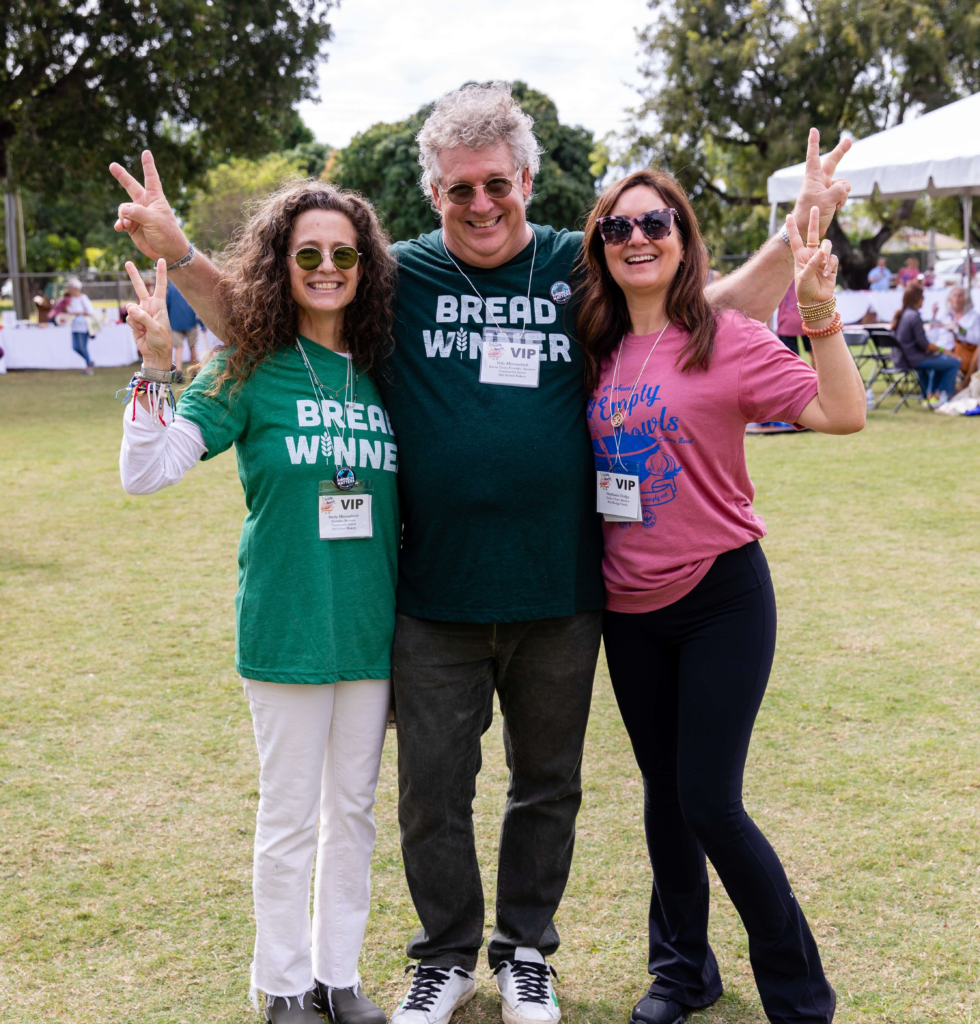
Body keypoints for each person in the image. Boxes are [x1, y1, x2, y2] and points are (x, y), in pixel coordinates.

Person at [110, 82, 851, 1024]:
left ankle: (526, 953)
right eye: (460, 189)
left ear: (528, 180)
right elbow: (276, 309)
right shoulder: (398, 274)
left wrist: (795, 241)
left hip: (566, 589)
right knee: (431, 792)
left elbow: (698, 309)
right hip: (433, 591)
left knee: (548, 786)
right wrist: (179, 254)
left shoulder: (576, 266)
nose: (481, 204)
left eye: (497, 183)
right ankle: (446, 954)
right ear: (434, 194)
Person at [580, 172, 865, 1024]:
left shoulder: (728, 339)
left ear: (682, 234)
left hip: (720, 597)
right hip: (626, 607)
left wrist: (817, 308)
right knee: (663, 794)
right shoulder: (589, 346)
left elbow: (841, 413)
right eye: (618, 226)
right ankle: (682, 974)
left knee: (709, 797)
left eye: (656, 221)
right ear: (600, 245)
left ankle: (799, 993)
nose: (639, 237)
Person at [117, 180, 399, 1024]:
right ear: (280, 263)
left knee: (351, 814)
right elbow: (146, 470)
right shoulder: (249, 368)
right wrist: (157, 366)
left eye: (342, 254)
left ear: (364, 268)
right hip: (284, 631)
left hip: (370, 634)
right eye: (305, 253)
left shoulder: (387, 375)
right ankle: (281, 984)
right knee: (289, 817)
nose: (324, 267)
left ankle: (338, 975)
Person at [891, 283, 960, 403]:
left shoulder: (903, 315)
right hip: (914, 359)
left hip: (901, 358)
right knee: (953, 362)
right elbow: (925, 345)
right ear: (918, 299)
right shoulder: (914, 316)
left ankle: (930, 394)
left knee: (939, 360)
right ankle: (942, 395)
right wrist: (945, 350)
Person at [931, 287, 979, 374]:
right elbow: (933, 337)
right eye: (954, 296)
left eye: (960, 296)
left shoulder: (973, 316)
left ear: (965, 299)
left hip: (964, 353)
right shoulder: (945, 315)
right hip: (942, 351)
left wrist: (962, 330)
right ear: (950, 299)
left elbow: (977, 339)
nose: (957, 299)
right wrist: (933, 317)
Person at [166, 278, 203, 378]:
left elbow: (167, 305)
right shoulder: (190, 286)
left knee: (178, 348)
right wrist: (201, 323)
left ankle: (178, 373)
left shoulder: (172, 288)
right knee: (193, 348)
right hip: (191, 321)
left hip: (176, 323)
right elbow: (198, 305)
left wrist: (169, 321)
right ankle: (194, 372)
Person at [63, 277, 97, 374]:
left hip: (83, 326)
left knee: (82, 347)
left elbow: (90, 311)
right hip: (74, 326)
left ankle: (88, 367)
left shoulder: (83, 298)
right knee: (75, 347)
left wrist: (76, 313)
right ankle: (89, 362)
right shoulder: (72, 299)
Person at [775, 280, 812, 355]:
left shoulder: (778, 281)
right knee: (814, 354)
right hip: (807, 319)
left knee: (792, 357)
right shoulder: (805, 277)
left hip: (786, 323)